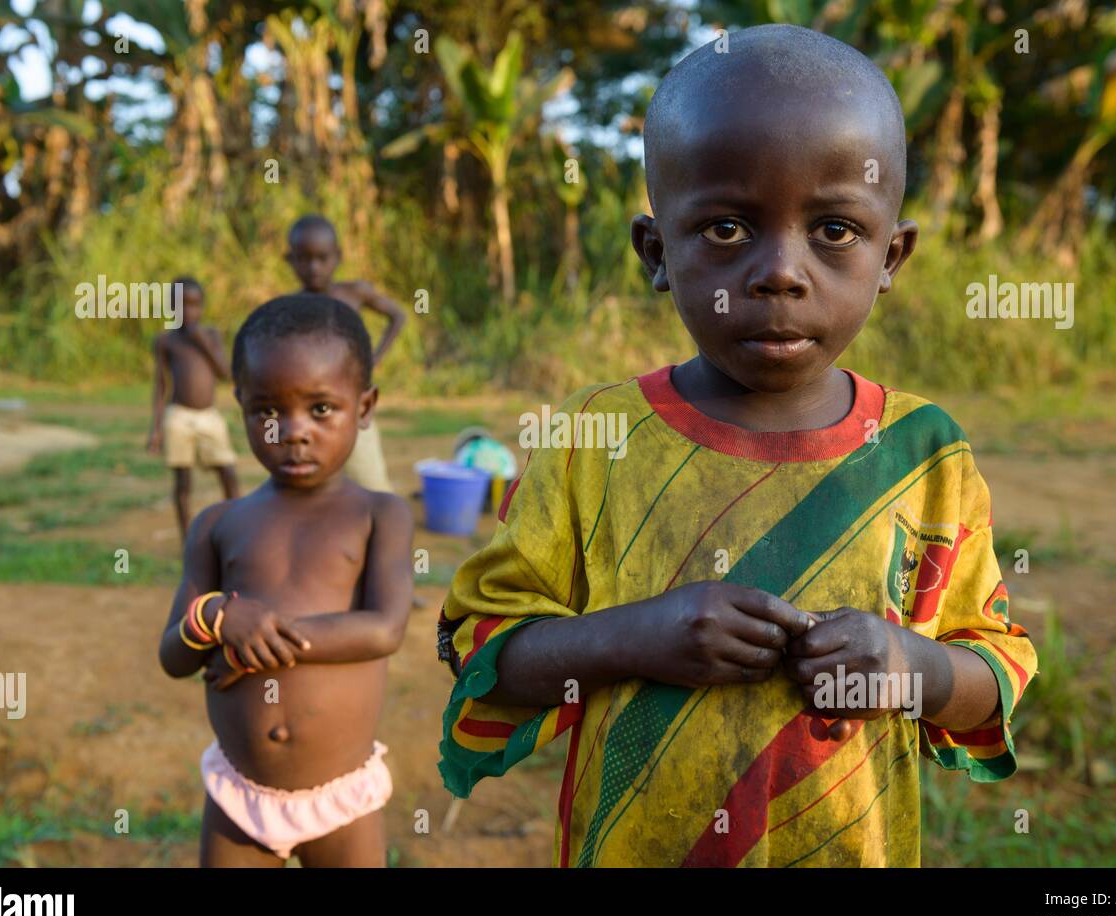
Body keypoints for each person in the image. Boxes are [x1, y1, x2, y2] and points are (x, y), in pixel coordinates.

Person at [435, 25, 1037, 867]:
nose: (779, 272)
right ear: (655, 252)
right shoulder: (592, 441)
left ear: (891, 254)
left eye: (833, 230)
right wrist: (638, 635)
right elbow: (482, 649)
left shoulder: (924, 453)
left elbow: (993, 675)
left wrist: (909, 663)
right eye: (725, 229)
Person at [158, 294, 413, 867]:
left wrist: (263, 637)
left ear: (364, 405)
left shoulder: (380, 514)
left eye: (322, 409)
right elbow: (174, 653)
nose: (294, 432)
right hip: (239, 798)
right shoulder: (217, 525)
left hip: (340, 799)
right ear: (241, 406)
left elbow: (383, 629)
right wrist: (218, 618)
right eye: (269, 411)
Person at [284, 214, 406, 493]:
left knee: (372, 487)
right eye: (303, 258)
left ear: (337, 256)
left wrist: (374, 358)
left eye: (322, 258)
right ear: (290, 260)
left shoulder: (354, 293)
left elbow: (398, 316)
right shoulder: (290, 308)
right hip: (312, 417)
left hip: (353, 410)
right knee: (313, 489)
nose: (313, 267)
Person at [146, 277, 240, 540]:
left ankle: (237, 530)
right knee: (183, 482)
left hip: (209, 415)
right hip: (178, 416)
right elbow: (161, 386)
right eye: (181, 305)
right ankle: (188, 539)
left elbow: (224, 373)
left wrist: (201, 341)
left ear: (203, 306)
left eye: (194, 305)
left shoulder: (210, 335)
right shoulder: (166, 341)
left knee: (228, 471)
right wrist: (155, 429)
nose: (189, 312)